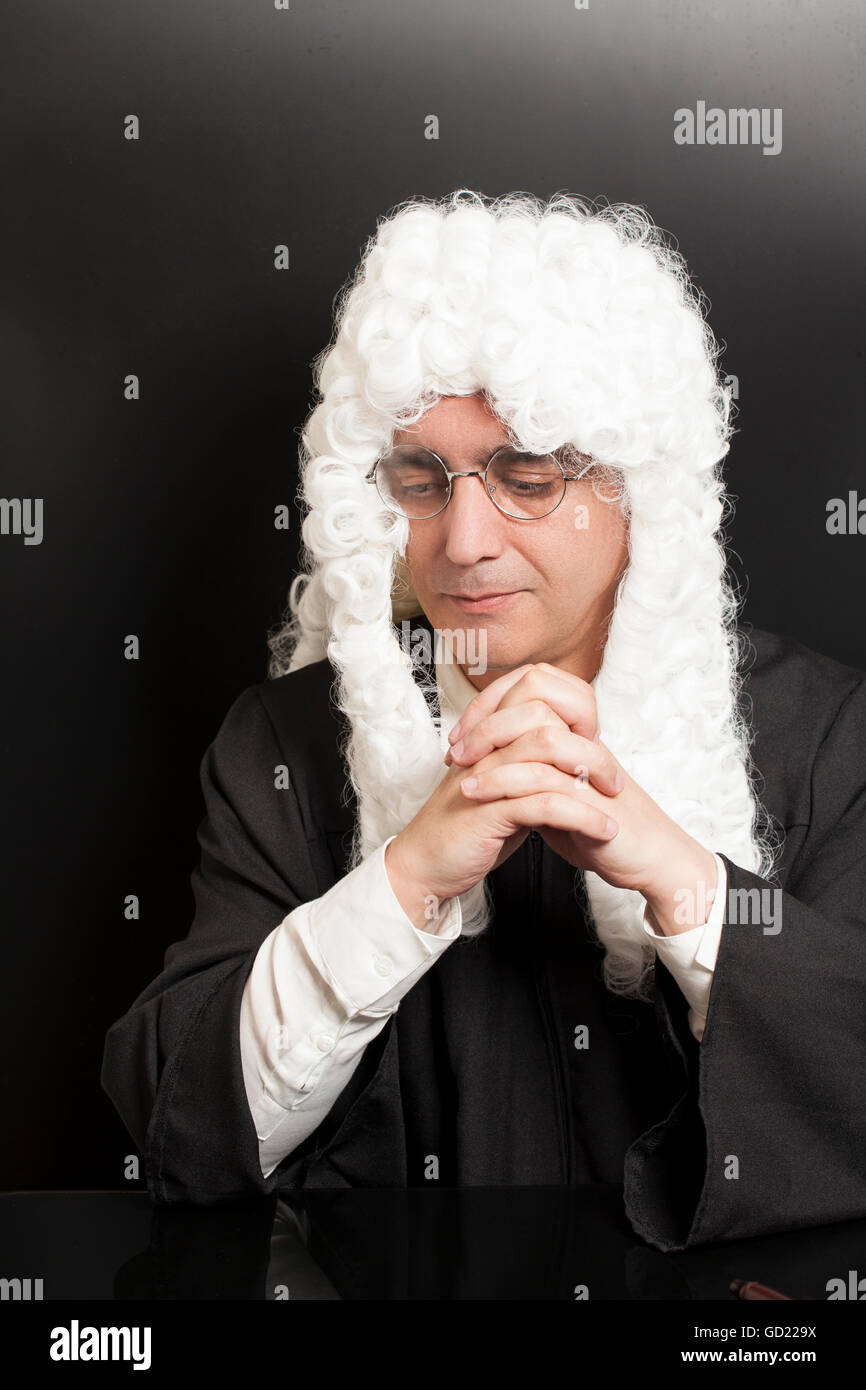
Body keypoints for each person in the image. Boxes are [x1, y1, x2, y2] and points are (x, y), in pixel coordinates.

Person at [101, 190, 866, 1253]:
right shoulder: (281, 746)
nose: (462, 541)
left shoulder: (822, 734)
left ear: (633, 488)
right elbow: (176, 1125)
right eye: (422, 480)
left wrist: (675, 876)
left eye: (528, 478)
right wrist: (407, 878)